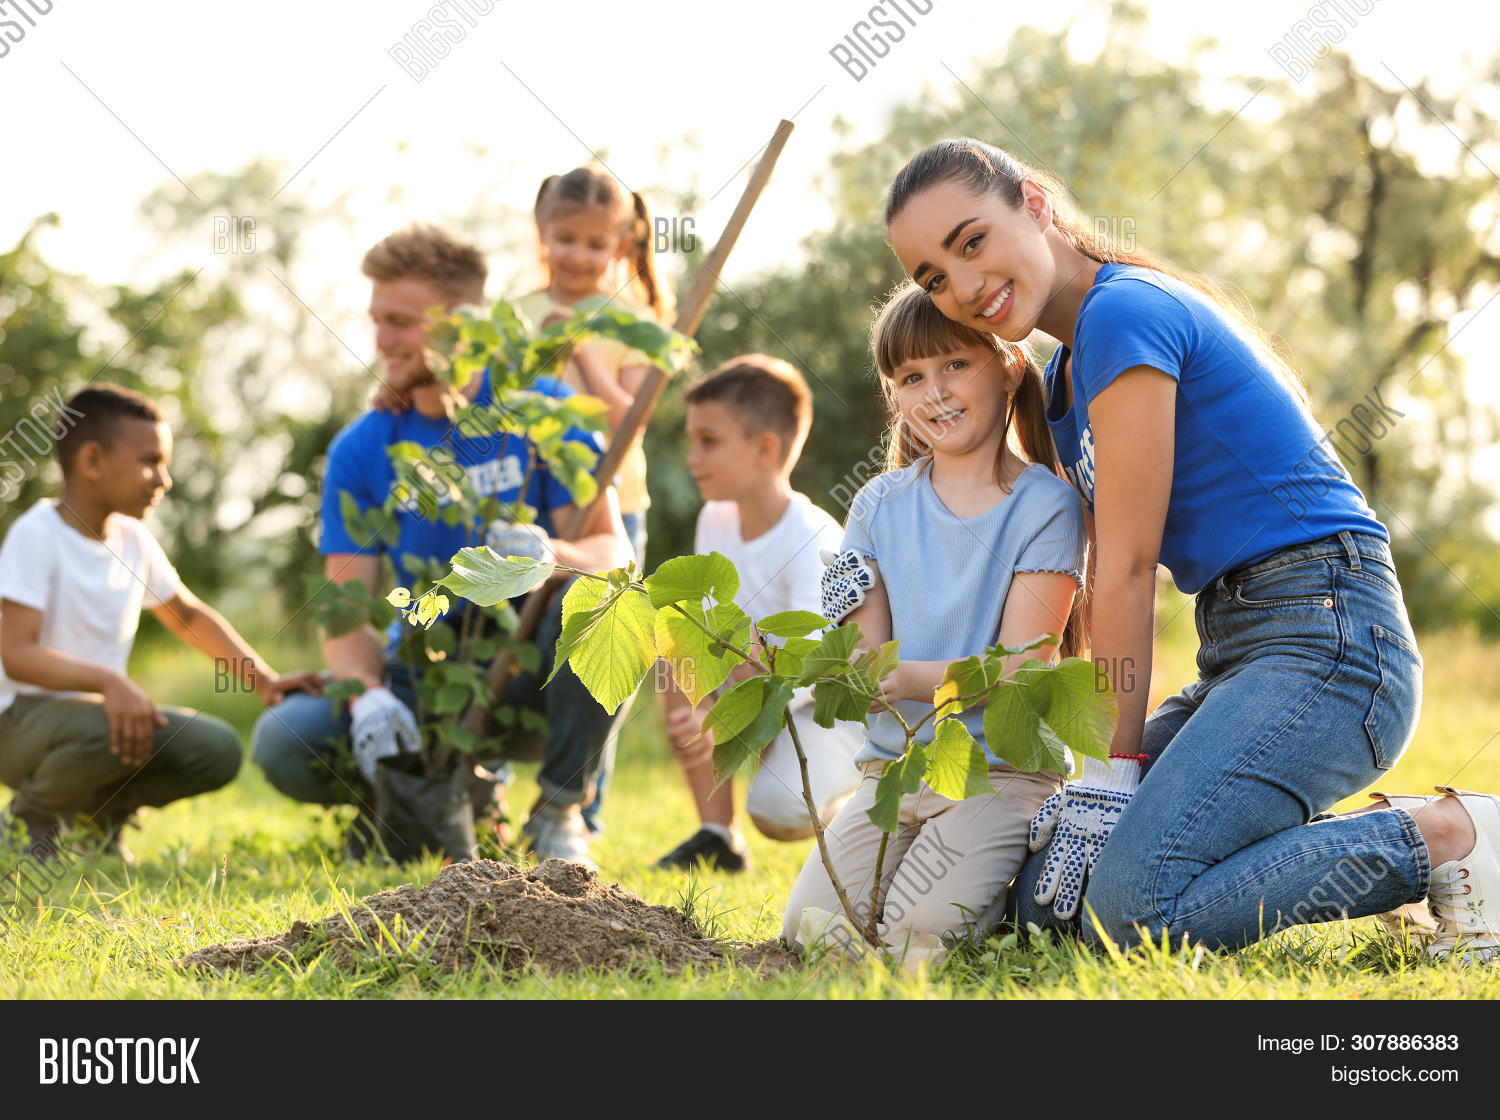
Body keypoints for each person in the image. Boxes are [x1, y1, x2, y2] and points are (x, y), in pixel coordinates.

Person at [884, 137, 1500, 963]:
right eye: (933, 278)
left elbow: (1131, 574)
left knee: (1129, 914)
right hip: (1239, 647)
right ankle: (1286, 855)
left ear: (1033, 203)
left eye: (971, 242)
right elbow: (1099, 574)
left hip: (1332, 639)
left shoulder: (1125, 314)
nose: (962, 288)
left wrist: (1110, 778)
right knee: (1044, 906)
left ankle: (1451, 835)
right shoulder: (1067, 376)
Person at [249, 222, 633, 869]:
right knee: (288, 739)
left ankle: (558, 812)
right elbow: (346, 607)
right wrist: (366, 692)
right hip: (426, 674)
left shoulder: (543, 410)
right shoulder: (363, 448)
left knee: (610, 607)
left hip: (527, 671)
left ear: (457, 325)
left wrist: (548, 556)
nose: (381, 340)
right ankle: (425, 795)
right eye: (376, 319)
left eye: (400, 321)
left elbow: (613, 554)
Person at [780, 284, 1086, 962]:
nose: (935, 392)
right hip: (891, 771)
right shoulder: (878, 505)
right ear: (892, 397)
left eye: (955, 365)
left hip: (997, 774)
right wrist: (835, 668)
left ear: (1007, 364)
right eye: (910, 377)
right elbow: (861, 648)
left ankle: (1014, 883)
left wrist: (900, 678)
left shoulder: (1047, 506)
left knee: (916, 942)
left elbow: (1018, 669)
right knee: (812, 939)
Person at [0, 385, 321, 862]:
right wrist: (110, 683)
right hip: (17, 723)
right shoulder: (37, 535)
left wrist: (265, 681)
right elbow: (17, 655)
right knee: (117, 724)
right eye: (150, 461)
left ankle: (98, 817)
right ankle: (31, 819)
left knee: (214, 748)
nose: (164, 479)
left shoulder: (133, 538)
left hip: (94, 722)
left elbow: (188, 616)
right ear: (92, 461)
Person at [655, 355, 862, 873]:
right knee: (673, 647)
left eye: (709, 441)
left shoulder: (811, 538)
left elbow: (810, 669)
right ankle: (716, 834)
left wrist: (720, 715)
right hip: (757, 688)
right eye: (692, 441)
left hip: (828, 708)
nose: (692, 457)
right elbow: (704, 634)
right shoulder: (716, 518)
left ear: (766, 449)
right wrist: (702, 702)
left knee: (777, 812)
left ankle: (863, 800)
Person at [515, 166, 672, 836]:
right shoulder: (517, 315)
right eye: (563, 239)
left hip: (613, 507)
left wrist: (580, 354)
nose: (576, 256)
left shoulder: (634, 325)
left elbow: (625, 422)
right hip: (529, 507)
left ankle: (580, 808)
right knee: (521, 639)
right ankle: (488, 782)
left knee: (602, 638)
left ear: (623, 245)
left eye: (593, 244)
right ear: (541, 235)